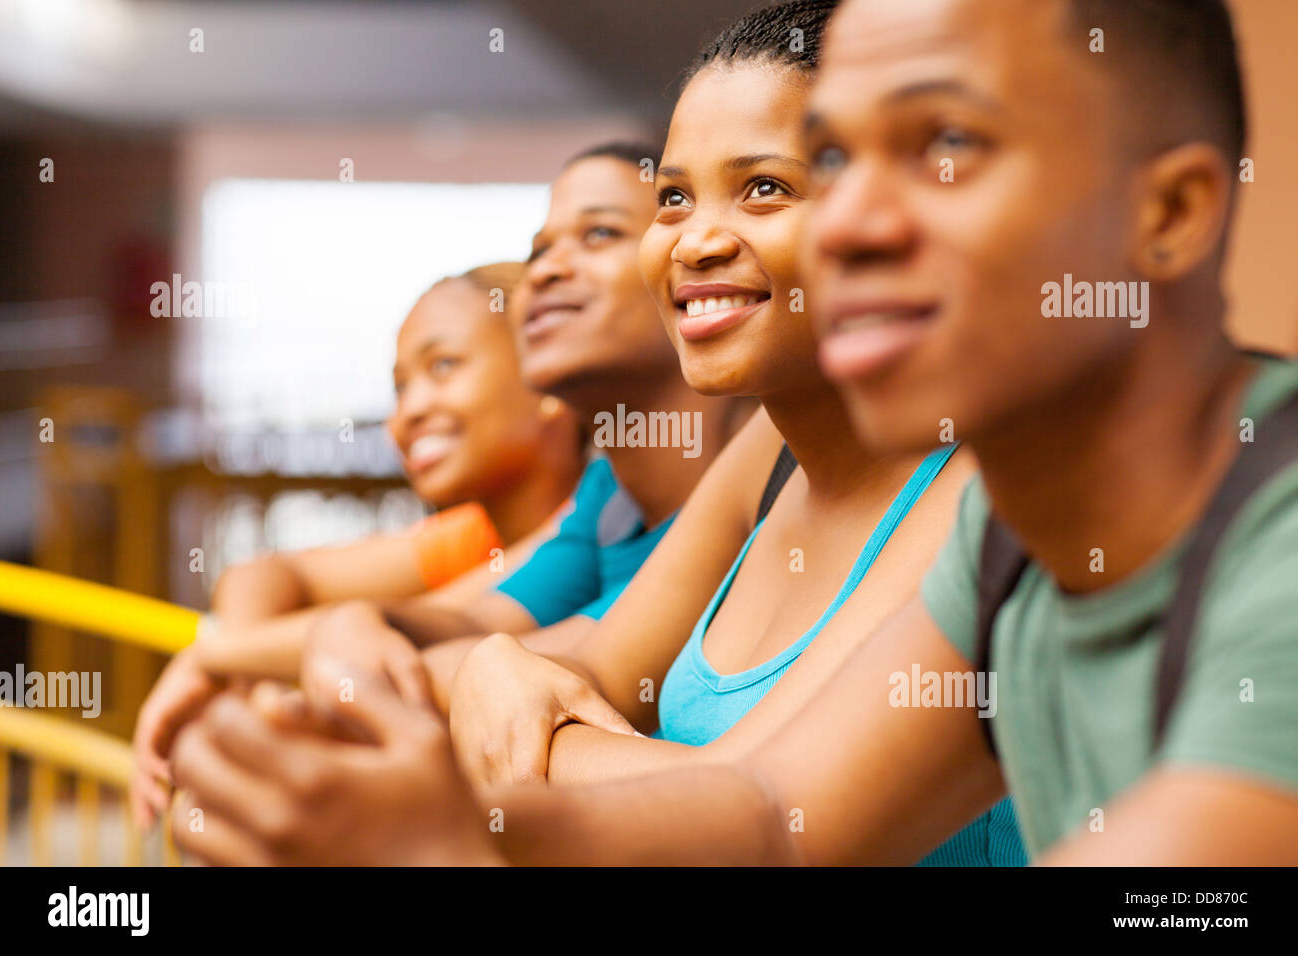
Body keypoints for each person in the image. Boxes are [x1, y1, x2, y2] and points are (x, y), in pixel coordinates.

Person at [171, 0, 1298, 866]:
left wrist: (457, 836)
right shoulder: (1010, 543)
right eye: (839, 161)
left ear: (1170, 213)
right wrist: (433, 798)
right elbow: (774, 816)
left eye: (942, 146)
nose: (850, 219)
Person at [433, 0, 1022, 866]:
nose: (696, 240)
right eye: (673, 198)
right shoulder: (768, 458)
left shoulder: (990, 479)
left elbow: (746, 815)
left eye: (766, 188)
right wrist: (495, 667)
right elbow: (595, 672)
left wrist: (504, 712)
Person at [138, 142, 748, 826]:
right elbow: (469, 622)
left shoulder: (749, 487)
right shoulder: (605, 501)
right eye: (539, 248)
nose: (547, 269)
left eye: (599, 232)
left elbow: (551, 659)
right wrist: (269, 652)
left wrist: (253, 672)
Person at [130, 262, 583, 827]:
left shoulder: (590, 525)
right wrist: (249, 679)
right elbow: (264, 574)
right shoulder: (473, 532)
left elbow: (419, 621)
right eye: (399, 387)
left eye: (443, 366)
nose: (406, 414)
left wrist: (216, 656)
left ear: (546, 374)